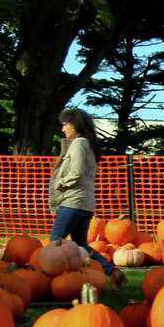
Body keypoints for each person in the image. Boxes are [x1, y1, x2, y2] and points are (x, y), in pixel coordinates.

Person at [49, 108, 125, 287]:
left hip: (73, 200)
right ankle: (111, 270)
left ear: (75, 125)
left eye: (65, 124)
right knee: (80, 244)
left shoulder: (79, 143)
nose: (63, 129)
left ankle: (56, 274)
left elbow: (76, 172)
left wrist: (60, 183)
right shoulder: (88, 144)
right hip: (85, 203)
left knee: (55, 240)